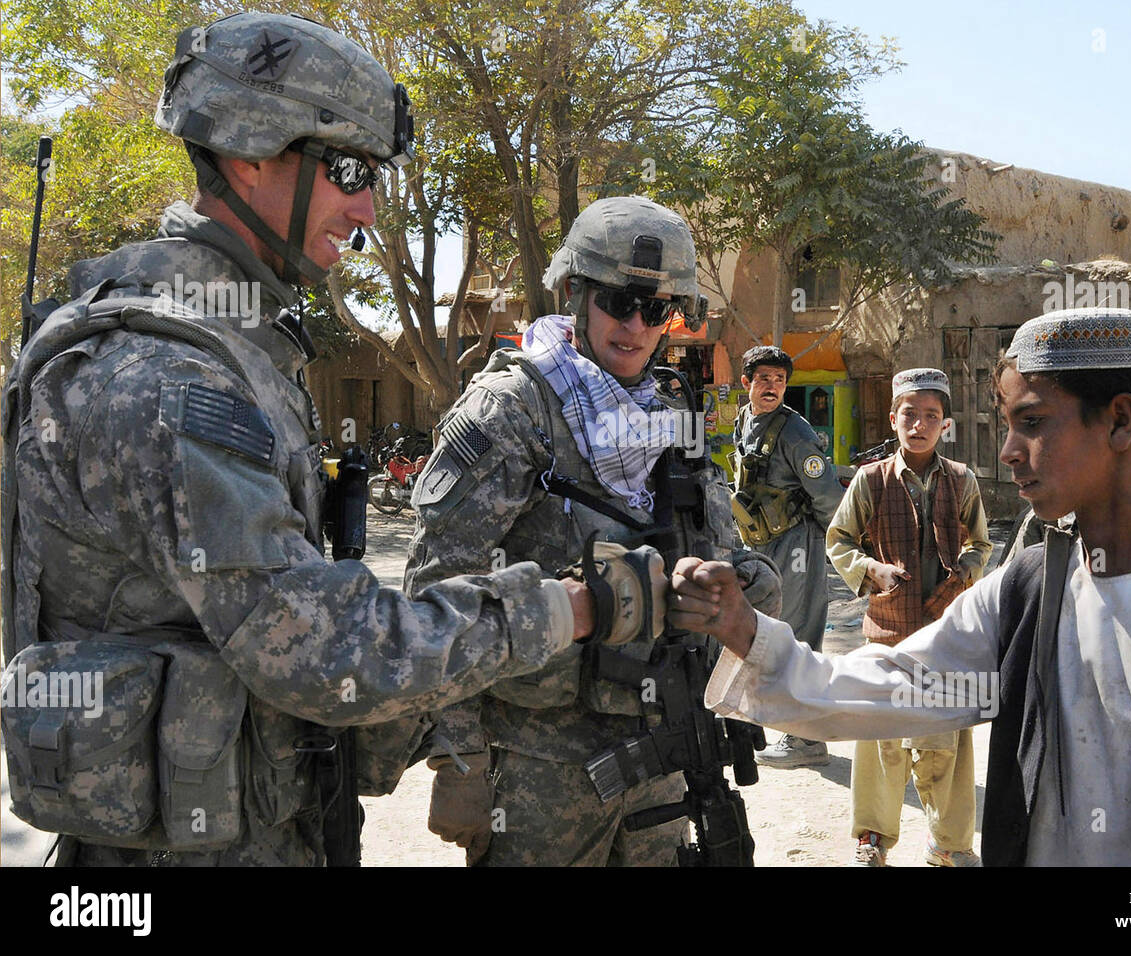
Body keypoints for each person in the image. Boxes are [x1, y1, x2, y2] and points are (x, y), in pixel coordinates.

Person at [0, 13, 656, 867]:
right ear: (247, 153)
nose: (369, 208)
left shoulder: (233, 343)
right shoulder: (166, 376)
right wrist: (563, 609)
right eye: (348, 170)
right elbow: (316, 648)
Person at [681, 308, 1131, 866]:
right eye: (1008, 424)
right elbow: (888, 686)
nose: (1007, 451)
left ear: (1120, 421)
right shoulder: (1026, 591)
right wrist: (747, 633)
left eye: (1031, 423)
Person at [403, 195, 781, 866]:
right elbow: (439, 591)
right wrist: (457, 759)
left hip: (659, 752)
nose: (636, 326)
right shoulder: (512, 409)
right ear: (575, 292)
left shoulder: (671, 418)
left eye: (657, 308)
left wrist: (742, 584)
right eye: (618, 300)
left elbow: (721, 554)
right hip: (538, 763)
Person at [825, 368, 990, 866]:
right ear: (894, 419)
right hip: (887, 632)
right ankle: (872, 840)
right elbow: (838, 539)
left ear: (946, 425)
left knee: (947, 741)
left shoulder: (962, 480)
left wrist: (965, 571)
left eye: (931, 417)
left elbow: (982, 542)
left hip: (943, 634)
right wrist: (870, 569)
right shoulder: (870, 480)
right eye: (910, 415)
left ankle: (950, 844)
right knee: (880, 739)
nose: (919, 424)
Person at [730, 345, 845, 768]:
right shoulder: (746, 422)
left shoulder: (794, 432)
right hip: (760, 547)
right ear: (747, 383)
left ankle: (806, 741)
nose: (772, 387)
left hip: (797, 544)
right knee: (763, 637)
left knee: (800, 639)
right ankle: (772, 725)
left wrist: (825, 545)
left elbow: (830, 496)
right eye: (764, 379)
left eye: (779, 380)